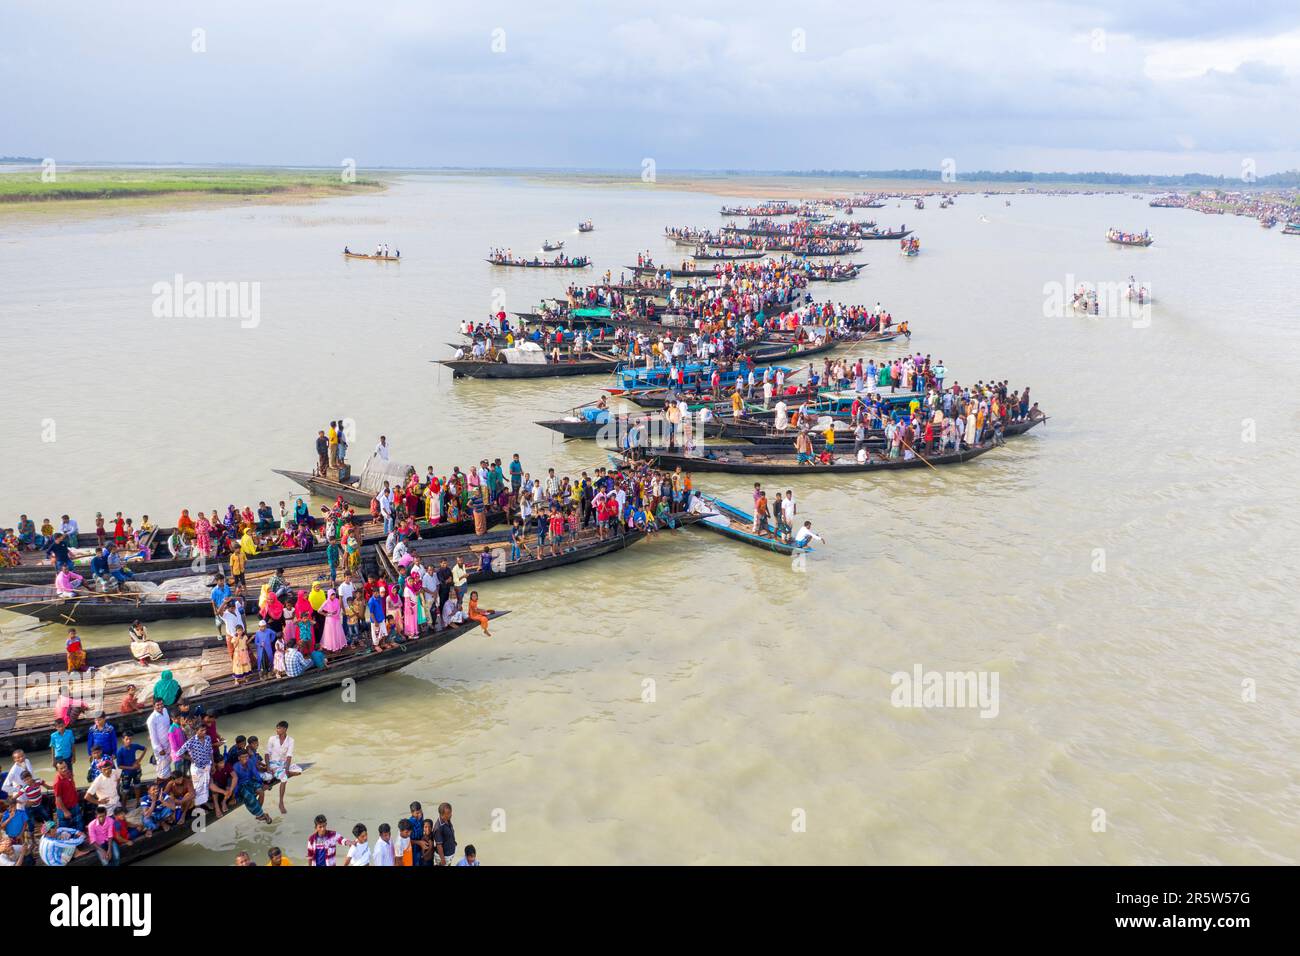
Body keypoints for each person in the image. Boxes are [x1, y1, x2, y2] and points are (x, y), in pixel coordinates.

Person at [434, 802, 456, 866]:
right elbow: (439, 845)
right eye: (448, 813)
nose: (451, 815)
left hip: (449, 855)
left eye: (451, 812)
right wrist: (442, 860)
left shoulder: (447, 819)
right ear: (442, 815)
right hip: (444, 857)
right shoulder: (439, 828)